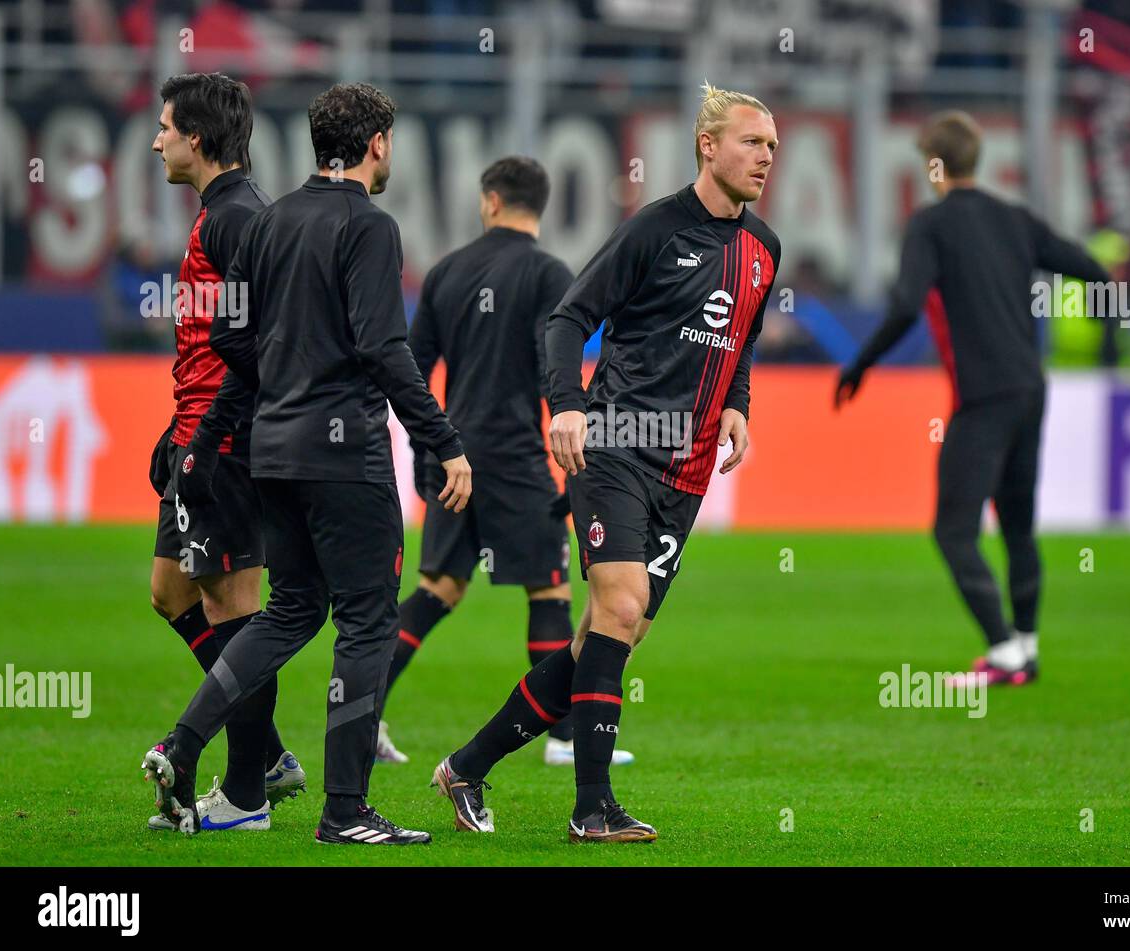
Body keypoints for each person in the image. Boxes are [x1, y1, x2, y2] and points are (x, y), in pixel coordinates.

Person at [431, 83, 780, 843]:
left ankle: (467, 765)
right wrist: (567, 405)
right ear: (708, 146)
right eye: (752, 143)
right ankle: (593, 809)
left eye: (773, 147)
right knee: (618, 608)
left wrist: (738, 402)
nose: (765, 158)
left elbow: (742, 336)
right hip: (615, 443)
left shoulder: (764, 252)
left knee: (607, 640)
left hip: (685, 474)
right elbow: (569, 317)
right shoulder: (653, 231)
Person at [141, 82, 472, 846]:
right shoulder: (370, 227)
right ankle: (345, 811)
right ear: (378, 144)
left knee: (289, 610)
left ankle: (183, 745)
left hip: (270, 452)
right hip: (342, 453)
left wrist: (216, 430)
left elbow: (230, 341)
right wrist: (442, 440)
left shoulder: (272, 219)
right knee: (365, 621)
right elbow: (384, 348)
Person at [834, 110, 1112, 685]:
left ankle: (1004, 650)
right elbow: (1093, 271)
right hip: (1030, 388)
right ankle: (1027, 647)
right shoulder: (1013, 218)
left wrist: (861, 364)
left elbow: (907, 305)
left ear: (933, 165)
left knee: (953, 531)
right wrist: (1109, 347)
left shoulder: (931, 225)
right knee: (1016, 526)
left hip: (983, 395)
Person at [377, 155, 632, 769]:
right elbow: (556, 366)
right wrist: (567, 448)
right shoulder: (549, 274)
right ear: (537, 207)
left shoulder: (445, 272)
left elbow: (412, 365)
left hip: (455, 455)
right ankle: (565, 738)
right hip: (516, 455)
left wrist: (425, 450)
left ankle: (365, 715)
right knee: (548, 587)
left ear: (490, 200)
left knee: (437, 588)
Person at [146, 71, 304, 832]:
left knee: (234, 608)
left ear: (198, 139)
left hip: (231, 443)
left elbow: (266, 345)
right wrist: (174, 432)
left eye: (167, 127)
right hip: (197, 432)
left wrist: (210, 438)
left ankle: (246, 794)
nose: (157, 140)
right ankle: (268, 752)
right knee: (171, 594)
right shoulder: (219, 214)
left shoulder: (240, 218)